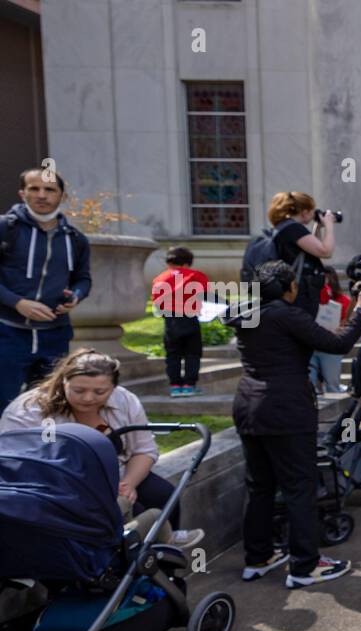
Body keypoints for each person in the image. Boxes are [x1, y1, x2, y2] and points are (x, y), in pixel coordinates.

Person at [233, 260, 361, 589]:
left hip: (249, 407)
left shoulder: (246, 313)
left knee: (260, 486)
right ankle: (304, 566)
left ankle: (258, 557)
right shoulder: (286, 315)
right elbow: (339, 345)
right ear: (288, 288)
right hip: (286, 410)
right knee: (300, 487)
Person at [1, 348, 204, 547]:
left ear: (114, 387)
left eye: (100, 392)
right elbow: (16, 463)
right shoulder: (28, 410)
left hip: (116, 471)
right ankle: (145, 549)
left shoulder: (124, 400)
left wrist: (128, 483)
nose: (88, 398)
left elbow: (144, 449)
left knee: (163, 494)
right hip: (57, 481)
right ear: (63, 382)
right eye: (79, 390)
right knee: (133, 510)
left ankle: (165, 555)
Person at [0, 168, 92, 410]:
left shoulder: (75, 239)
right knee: (3, 403)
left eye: (49, 189)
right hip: (6, 333)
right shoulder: (5, 229)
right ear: (22, 193)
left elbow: (83, 279)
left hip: (54, 335)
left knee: (47, 405)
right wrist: (17, 303)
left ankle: (38, 448)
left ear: (62, 196)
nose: (42, 195)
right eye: (34, 189)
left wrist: (76, 296)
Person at [150, 246, 209, 397]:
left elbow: (156, 302)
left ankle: (175, 386)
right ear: (187, 263)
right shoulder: (196, 276)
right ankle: (189, 385)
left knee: (172, 354)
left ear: (169, 262)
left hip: (170, 320)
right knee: (193, 353)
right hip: (190, 318)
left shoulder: (160, 278)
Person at [267, 191, 333, 320]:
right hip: (300, 291)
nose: (314, 214)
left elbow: (312, 250)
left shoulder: (284, 227)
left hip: (293, 288)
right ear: (304, 212)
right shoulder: (294, 228)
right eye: (313, 211)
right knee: (303, 328)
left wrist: (318, 228)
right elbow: (326, 251)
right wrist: (329, 226)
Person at [309, 267, 350, 394]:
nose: (325, 281)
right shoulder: (310, 299)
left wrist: (341, 326)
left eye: (327, 278)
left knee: (332, 385)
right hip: (311, 344)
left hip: (331, 346)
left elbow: (347, 322)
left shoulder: (343, 301)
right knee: (310, 386)